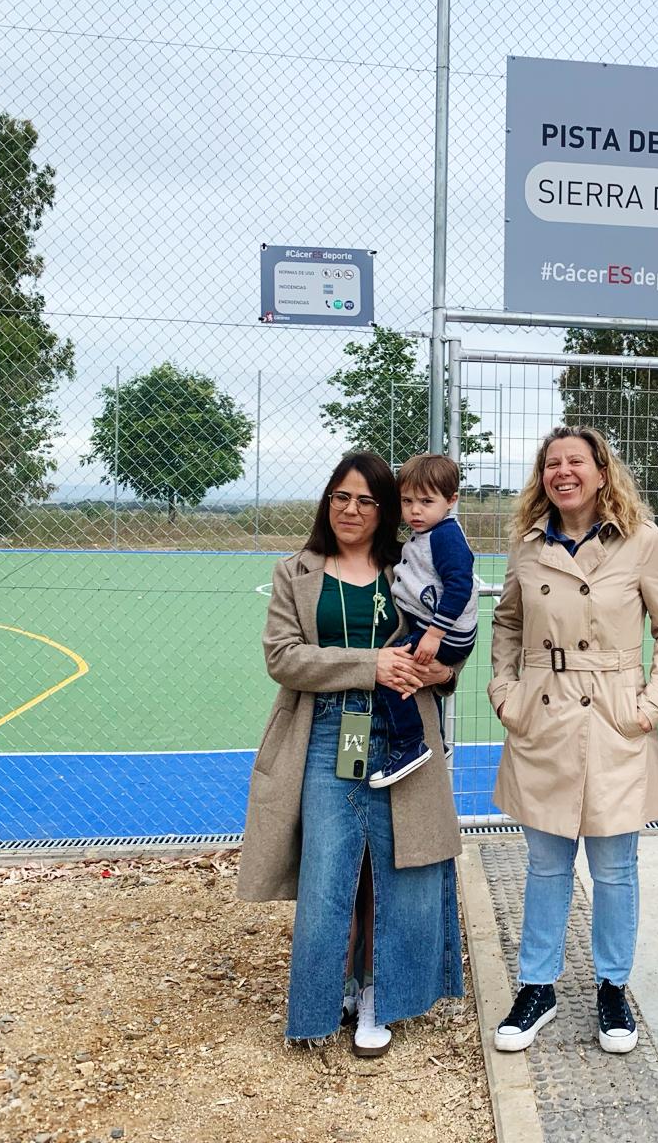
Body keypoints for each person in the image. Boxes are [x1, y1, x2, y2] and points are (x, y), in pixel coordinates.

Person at [237, 451, 465, 1058]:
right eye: (341, 496)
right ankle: (324, 995)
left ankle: (377, 995)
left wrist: (439, 672)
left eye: (366, 500)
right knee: (330, 869)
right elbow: (283, 657)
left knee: (393, 869)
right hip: (325, 731)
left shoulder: (410, 564)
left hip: (403, 732)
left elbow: (451, 643)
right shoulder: (296, 572)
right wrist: (370, 665)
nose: (352, 509)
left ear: (385, 509)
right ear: (327, 502)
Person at [487, 426, 658, 1055]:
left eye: (576, 461)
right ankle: (537, 987)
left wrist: (652, 703)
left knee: (615, 868)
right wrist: (506, 693)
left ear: (602, 472)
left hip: (614, 717)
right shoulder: (527, 545)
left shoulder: (641, 541)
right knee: (546, 865)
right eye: (552, 463)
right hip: (544, 716)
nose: (563, 472)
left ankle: (612, 988)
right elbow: (507, 623)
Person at [371, 452, 478, 788]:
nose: (415, 511)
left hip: (445, 633)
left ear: (451, 500)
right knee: (420, 682)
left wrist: (434, 634)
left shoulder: (446, 536)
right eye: (407, 501)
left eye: (426, 501)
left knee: (393, 671)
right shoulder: (429, 532)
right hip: (437, 627)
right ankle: (439, 741)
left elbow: (460, 586)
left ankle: (409, 743)